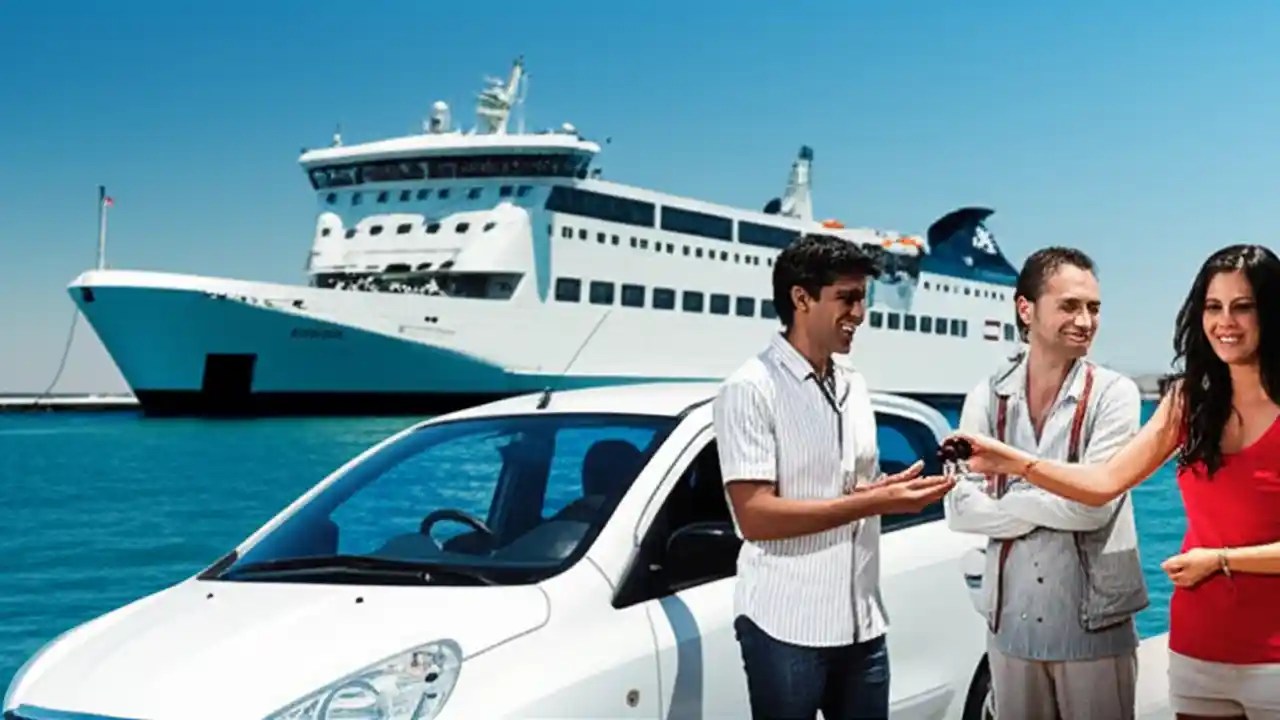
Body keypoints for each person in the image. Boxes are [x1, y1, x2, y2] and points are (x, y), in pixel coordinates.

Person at [948, 244, 1280, 719]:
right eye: (1213, 306)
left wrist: (1222, 560)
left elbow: (1095, 504)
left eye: (1242, 306)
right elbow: (1104, 482)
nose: (1225, 321)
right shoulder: (1189, 402)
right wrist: (1016, 462)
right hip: (1200, 650)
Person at [713, 233, 956, 720]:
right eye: (846, 299)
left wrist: (881, 489)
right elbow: (755, 516)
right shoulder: (749, 389)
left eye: (862, 299)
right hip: (785, 629)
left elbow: (842, 486)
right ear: (801, 298)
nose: (860, 314)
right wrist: (875, 504)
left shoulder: (854, 385)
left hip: (863, 626)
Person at [943, 246, 1149, 719]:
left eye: (1093, 308)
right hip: (1009, 631)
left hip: (1093, 631)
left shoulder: (1115, 394)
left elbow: (1093, 506)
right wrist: (1060, 491)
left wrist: (1010, 487)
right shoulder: (987, 394)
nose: (1085, 320)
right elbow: (960, 511)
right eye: (1070, 306)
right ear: (1026, 309)